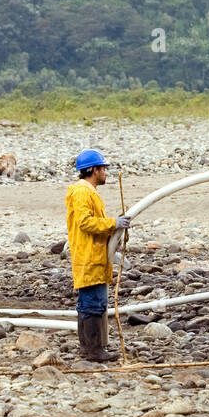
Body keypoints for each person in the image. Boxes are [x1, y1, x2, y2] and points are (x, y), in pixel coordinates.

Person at [65, 149, 131, 362]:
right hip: (89, 257)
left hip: (92, 257)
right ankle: (94, 351)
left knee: (89, 303)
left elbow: (93, 223)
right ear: (92, 169)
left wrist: (114, 227)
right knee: (93, 304)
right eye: (103, 168)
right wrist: (113, 223)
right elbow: (86, 223)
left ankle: (89, 348)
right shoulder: (83, 192)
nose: (105, 172)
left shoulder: (87, 191)